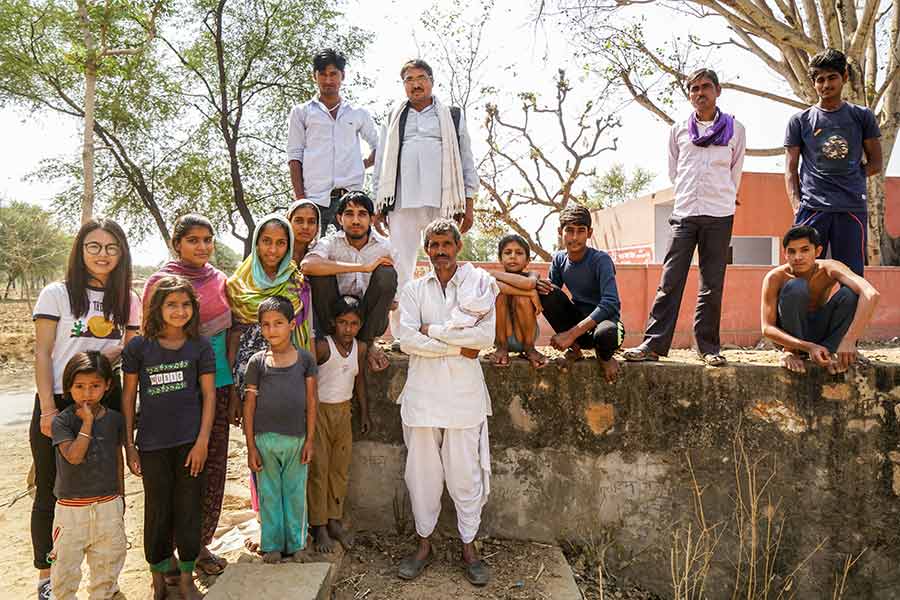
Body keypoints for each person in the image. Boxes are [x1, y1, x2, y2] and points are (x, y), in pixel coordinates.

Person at [31, 218, 140, 600]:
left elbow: (130, 349)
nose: (102, 254)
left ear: (121, 253)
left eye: (111, 247)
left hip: (106, 401)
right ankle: (48, 576)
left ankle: (106, 578)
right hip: (60, 399)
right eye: (93, 246)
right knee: (51, 489)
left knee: (108, 489)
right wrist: (47, 408)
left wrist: (110, 356)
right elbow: (43, 353)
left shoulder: (128, 299)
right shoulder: (56, 294)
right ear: (80, 250)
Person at [393, 219, 497, 586]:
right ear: (426, 249)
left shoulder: (479, 285)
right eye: (433, 244)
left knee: (465, 475)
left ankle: (469, 548)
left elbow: (485, 336)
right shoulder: (413, 290)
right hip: (422, 397)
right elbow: (406, 339)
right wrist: (458, 346)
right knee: (421, 476)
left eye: (446, 244)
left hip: (464, 399)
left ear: (458, 246)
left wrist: (432, 332)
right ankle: (424, 545)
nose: (440, 251)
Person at [623, 68, 746, 367]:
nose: (699, 93)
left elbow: (735, 169)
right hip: (685, 212)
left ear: (718, 91)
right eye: (694, 89)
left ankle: (707, 348)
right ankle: (653, 344)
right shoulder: (678, 129)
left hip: (719, 213)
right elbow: (675, 171)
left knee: (711, 284)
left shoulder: (735, 129)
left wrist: (725, 196)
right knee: (670, 280)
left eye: (705, 87)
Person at [142, 214, 233, 577]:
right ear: (176, 243)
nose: (203, 247)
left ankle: (200, 544)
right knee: (177, 472)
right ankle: (168, 549)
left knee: (212, 466)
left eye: (208, 240)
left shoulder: (220, 280)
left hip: (219, 383)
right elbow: (150, 338)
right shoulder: (160, 283)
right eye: (193, 240)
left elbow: (233, 331)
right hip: (175, 387)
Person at [122, 276, 216, 600]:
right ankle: (159, 579)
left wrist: (203, 441)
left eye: (186, 304)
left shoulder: (200, 346)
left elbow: (208, 396)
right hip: (151, 445)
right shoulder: (139, 347)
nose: (179, 311)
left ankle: (187, 578)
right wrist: (129, 446)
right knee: (157, 511)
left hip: (190, 445)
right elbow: (128, 396)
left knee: (189, 509)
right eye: (171, 304)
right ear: (157, 308)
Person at [372, 58, 478, 292]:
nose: (415, 84)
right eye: (409, 80)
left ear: (432, 82)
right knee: (400, 265)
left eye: (421, 78)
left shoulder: (451, 116)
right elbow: (381, 162)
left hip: (443, 200)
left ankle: (446, 324)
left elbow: (466, 160)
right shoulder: (393, 117)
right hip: (401, 201)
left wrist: (468, 202)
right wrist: (376, 205)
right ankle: (403, 327)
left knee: (444, 262)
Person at [784, 48, 883, 276]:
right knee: (800, 277)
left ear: (844, 77)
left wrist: (851, 177)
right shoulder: (800, 121)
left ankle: (845, 314)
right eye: (819, 79)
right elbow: (790, 170)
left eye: (832, 77)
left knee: (851, 279)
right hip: (811, 209)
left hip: (851, 207)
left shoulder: (862, 116)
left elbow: (876, 163)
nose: (825, 84)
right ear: (813, 83)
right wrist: (797, 205)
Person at [242, 296, 318, 564]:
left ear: (292, 324)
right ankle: (272, 544)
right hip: (264, 440)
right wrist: (251, 446)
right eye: (266, 325)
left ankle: (297, 544)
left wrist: (310, 440)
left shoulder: (305, 360)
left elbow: (311, 401)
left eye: (278, 323)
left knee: (295, 493)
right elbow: (249, 405)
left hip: (297, 439)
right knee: (270, 492)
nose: (272, 330)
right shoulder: (257, 362)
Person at [49, 351, 126, 600]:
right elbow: (74, 456)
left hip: (107, 506)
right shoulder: (63, 422)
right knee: (64, 574)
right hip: (71, 512)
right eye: (79, 386)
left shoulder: (115, 420)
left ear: (107, 386)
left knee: (106, 569)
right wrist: (88, 424)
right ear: (68, 388)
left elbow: (117, 458)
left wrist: (120, 499)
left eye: (95, 386)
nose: (87, 393)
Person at [761, 226, 880, 374]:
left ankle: (829, 351)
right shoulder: (775, 277)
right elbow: (767, 328)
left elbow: (871, 294)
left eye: (805, 250)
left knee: (850, 294)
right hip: (790, 337)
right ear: (785, 254)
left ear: (817, 251)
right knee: (796, 286)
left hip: (821, 330)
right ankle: (792, 352)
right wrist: (807, 347)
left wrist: (849, 341)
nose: (798, 257)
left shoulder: (830, 268)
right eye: (792, 251)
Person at [301, 191, 397, 371]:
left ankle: (367, 344)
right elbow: (307, 265)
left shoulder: (386, 247)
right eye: (349, 214)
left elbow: (393, 301)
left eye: (362, 214)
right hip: (332, 318)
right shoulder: (329, 242)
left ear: (371, 218)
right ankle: (332, 341)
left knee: (386, 273)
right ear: (339, 218)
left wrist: (380, 297)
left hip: (366, 322)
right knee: (320, 270)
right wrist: (363, 268)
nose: (355, 221)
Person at [287, 48, 378, 236]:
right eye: (323, 74)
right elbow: (294, 157)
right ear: (315, 76)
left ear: (342, 75)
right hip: (313, 198)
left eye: (333, 74)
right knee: (307, 254)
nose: (328, 80)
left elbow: (380, 146)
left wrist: (362, 165)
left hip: (350, 200)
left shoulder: (357, 113)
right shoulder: (301, 112)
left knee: (354, 253)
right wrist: (300, 200)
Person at [227, 214, 314, 403]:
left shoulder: (296, 283)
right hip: (249, 376)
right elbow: (233, 337)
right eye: (266, 241)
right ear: (256, 243)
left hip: (290, 370)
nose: (273, 250)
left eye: (281, 243)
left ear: (289, 246)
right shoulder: (237, 286)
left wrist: (310, 379)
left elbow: (307, 331)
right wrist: (233, 391)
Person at [309, 295, 371, 553]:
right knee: (319, 469)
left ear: (360, 325)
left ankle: (334, 520)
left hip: (344, 412)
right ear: (333, 323)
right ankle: (319, 526)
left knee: (339, 469)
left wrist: (365, 413)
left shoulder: (361, 348)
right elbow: (308, 381)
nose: (348, 329)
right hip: (320, 412)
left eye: (354, 323)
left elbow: (359, 381)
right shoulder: (323, 347)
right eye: (343, 322)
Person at [537, 205, 624, 383]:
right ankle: (575, 350)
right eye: (569, 231)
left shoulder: (601, 260)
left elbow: (610, 303)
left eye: (580, 231)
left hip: (605, 326)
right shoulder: (559, 259)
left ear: (589, 233)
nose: (575, 237)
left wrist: (569, 335)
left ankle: (605, 357)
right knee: (546, 291)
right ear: (560, 232)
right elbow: (552, 297)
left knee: (606, 333)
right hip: (578, 329)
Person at [489, 234, 547, 369]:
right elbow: (498, 287)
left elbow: (529, 283)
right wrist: (531, 293)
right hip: (501, 336)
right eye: (508, 252)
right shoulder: (494, 280)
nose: (513, 256)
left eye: (519, 253)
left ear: (527, 260)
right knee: (499, 294)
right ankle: (502, 348)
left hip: (526, 336)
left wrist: (492, 273)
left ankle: (530, 349)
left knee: (522, 298)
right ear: (500, 259)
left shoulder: (533, 274)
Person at [287, 199, 322, 266]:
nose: (305, 227)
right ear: (289, 222)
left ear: (317, 227)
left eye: (311, 222)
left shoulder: (318, 255)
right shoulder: (276, 253)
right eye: (299, 221)